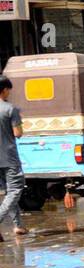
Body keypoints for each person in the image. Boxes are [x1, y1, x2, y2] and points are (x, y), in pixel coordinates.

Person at [0, 75, 27, 241]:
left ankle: (18, 225)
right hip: (9, 157)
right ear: (4, 90)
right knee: (15, 190)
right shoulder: (11, 109)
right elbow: (18, 133)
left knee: (9, 193)